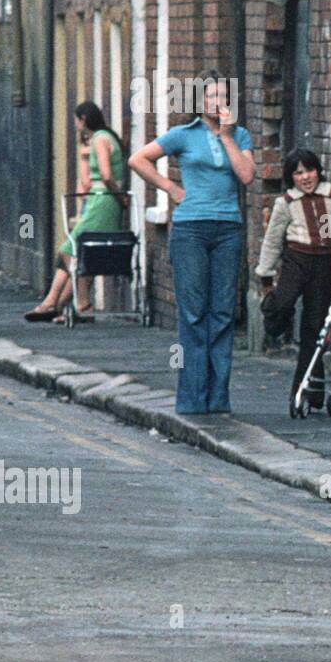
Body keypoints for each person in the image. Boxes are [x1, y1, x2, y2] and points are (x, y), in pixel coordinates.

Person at [129, 70, 255, 415]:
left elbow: (246, 175)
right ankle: (191, 400)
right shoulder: (182, 135)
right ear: (200, 102)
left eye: (223, 97)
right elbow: (138, 159)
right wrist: (170, 189)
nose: (218, 103)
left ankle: (218, 400)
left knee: (223, 313)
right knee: (194, 314)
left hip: (228, 229)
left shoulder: (241, 136)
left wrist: (228, 137)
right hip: (190, 231)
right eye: (211, 97)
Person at [254, 148, 331, 405]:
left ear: (318, 171)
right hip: (296, 259)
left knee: (315, 325)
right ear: (291, 177)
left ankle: (309, 390)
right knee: (283, 302)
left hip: (324, 262)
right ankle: (274, 321)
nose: (306, 177)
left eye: (309, 170)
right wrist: (265, 276)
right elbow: (273, 241)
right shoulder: (286, 202)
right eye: (298, 173)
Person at [25, 101, 126, 323]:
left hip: (103, 202)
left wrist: (120, 198)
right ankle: (78, 305)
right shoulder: (107, 137)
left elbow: (106, 176)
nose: (75, 125)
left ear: (83, 119)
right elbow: (88, 181)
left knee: (69, 248)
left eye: (76, 120)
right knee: (85, 251)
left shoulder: (100, 139)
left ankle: (53, 303)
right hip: (103, 201)